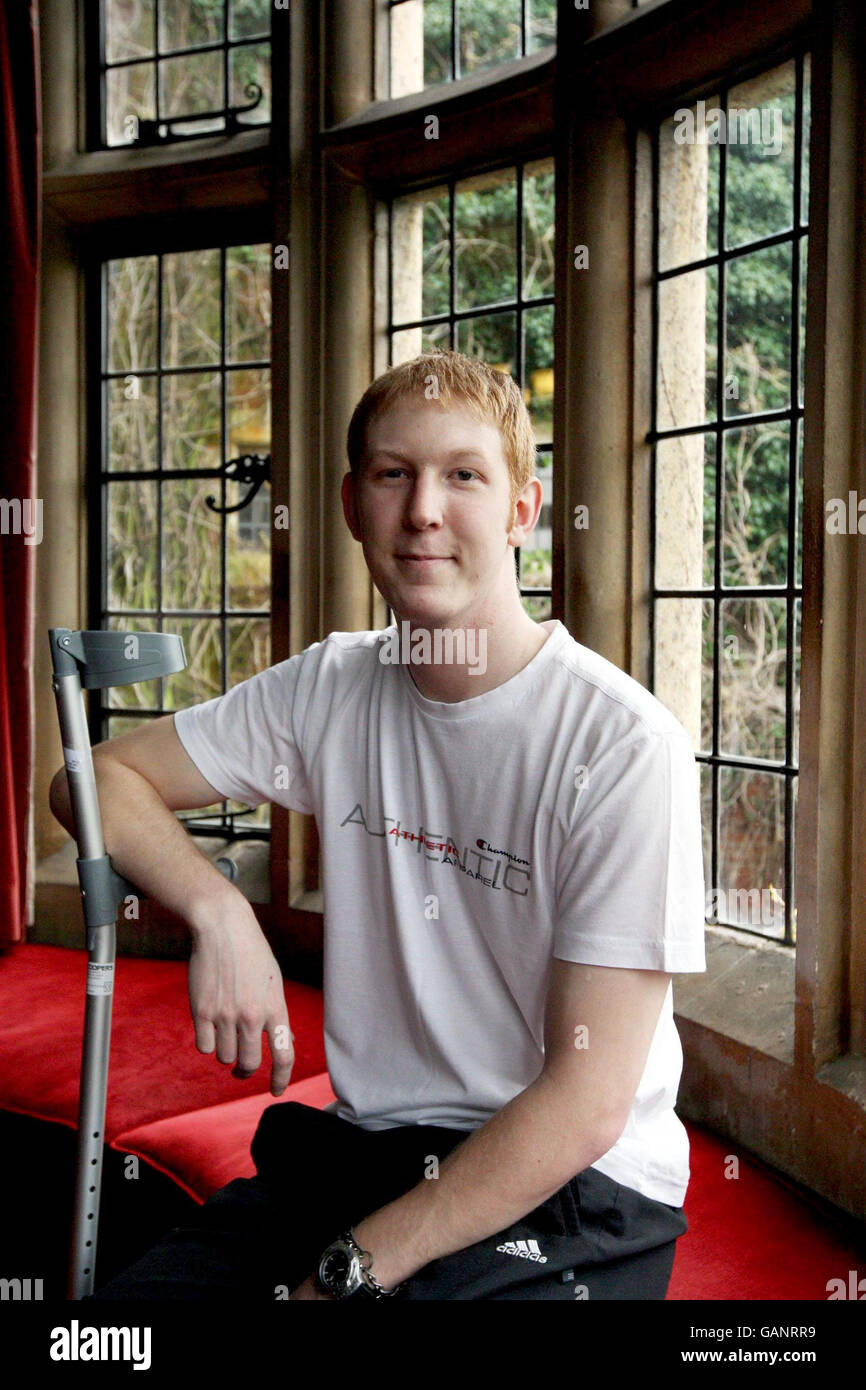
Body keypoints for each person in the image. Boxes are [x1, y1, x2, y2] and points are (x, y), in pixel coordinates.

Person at [53, 350, 706, 1301]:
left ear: (524, 509)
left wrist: (347, 1274)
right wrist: (216, 906)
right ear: (354, 506)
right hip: (373, 1152)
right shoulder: (332, 687)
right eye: (394, 474)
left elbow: (585, 1104)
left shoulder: (620, 744)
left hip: (576, 1194)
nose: (424, 510)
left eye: (464, 476)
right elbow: (91, 779)